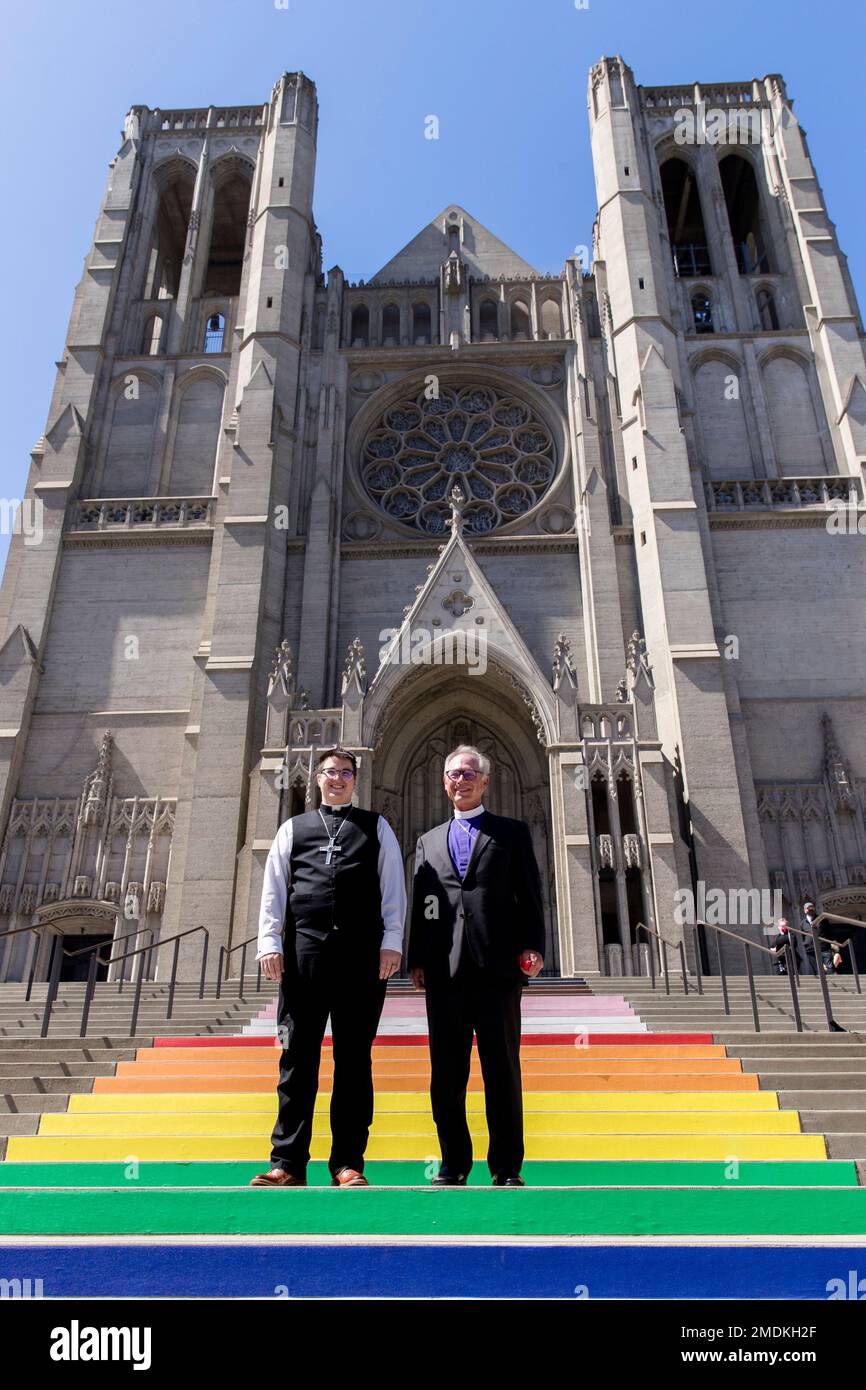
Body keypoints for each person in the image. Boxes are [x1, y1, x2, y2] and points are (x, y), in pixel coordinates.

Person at [250, 747, 406, 1188]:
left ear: (355, 780)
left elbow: (392, 889)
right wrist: (268, 942)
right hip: (304, 956)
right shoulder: (292, 829)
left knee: (354, 1061)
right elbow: (274, 890)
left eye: (345, 773)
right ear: (317, 778)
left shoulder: (377, 828)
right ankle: (287, 1162)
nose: (337, 779)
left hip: (361, 959)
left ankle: (347, 1163)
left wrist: (392, 942)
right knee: (297, 1059)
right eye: (330, 772)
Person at [408, 744, 546, 1187]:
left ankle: (506, 1167)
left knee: (501, 1070)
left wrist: (533, 947)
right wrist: (417, 957)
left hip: (498, 967)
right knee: (447, 1074)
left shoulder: (512, 833)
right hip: (444, 972)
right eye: (453, 774)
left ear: (485, 781)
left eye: (469, 774)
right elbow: (424, 904)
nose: (460, 780)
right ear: (444, 782)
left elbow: (529, 894)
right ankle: (454, 1163)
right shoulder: (427, 841)